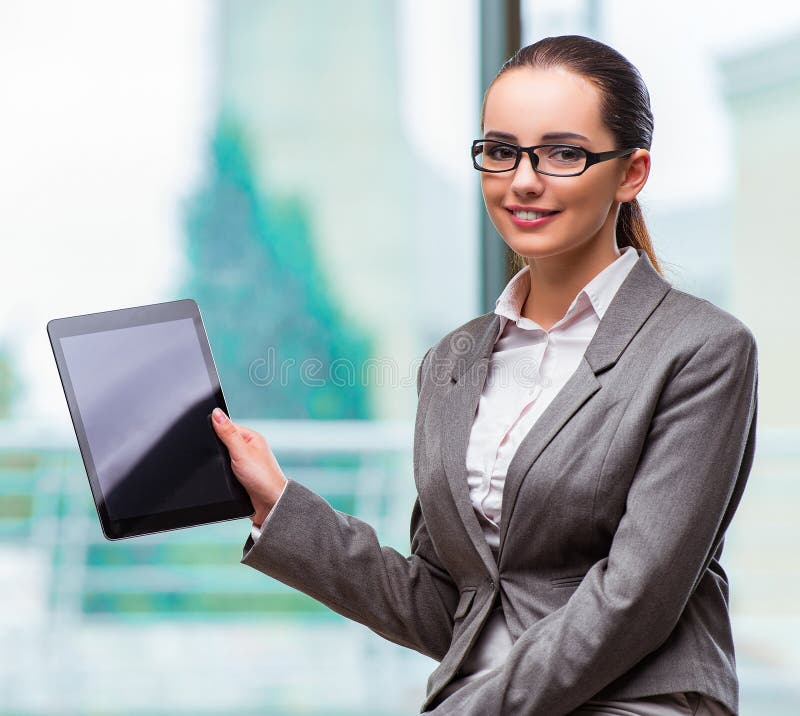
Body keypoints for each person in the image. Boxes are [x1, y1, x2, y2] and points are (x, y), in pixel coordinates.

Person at [211, 35, 758, 716]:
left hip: (635, 703)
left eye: (563, 153)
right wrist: (281, 508)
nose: (523, 180)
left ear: (631, 172)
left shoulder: (701, 349)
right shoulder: (452, 362)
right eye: (501, 151)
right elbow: (449, 606)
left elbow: (636, 599)